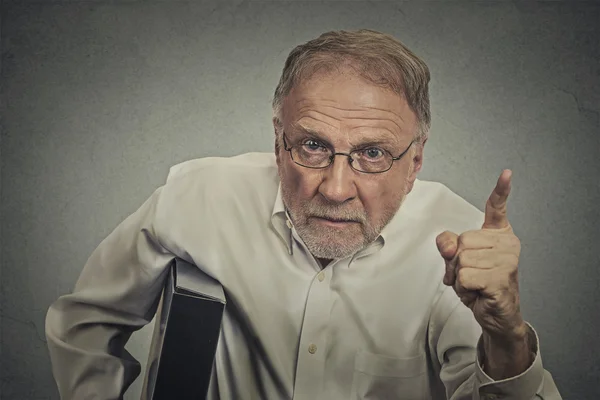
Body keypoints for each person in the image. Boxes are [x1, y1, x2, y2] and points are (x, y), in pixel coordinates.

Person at [45, 29, 562, 399]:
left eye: (373, 154)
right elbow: (86, 322)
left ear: (415, 162)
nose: (336, 189)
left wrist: (507, 337)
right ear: (277, 141)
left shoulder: (459, 245)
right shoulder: (199, 197)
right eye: (312, 145)